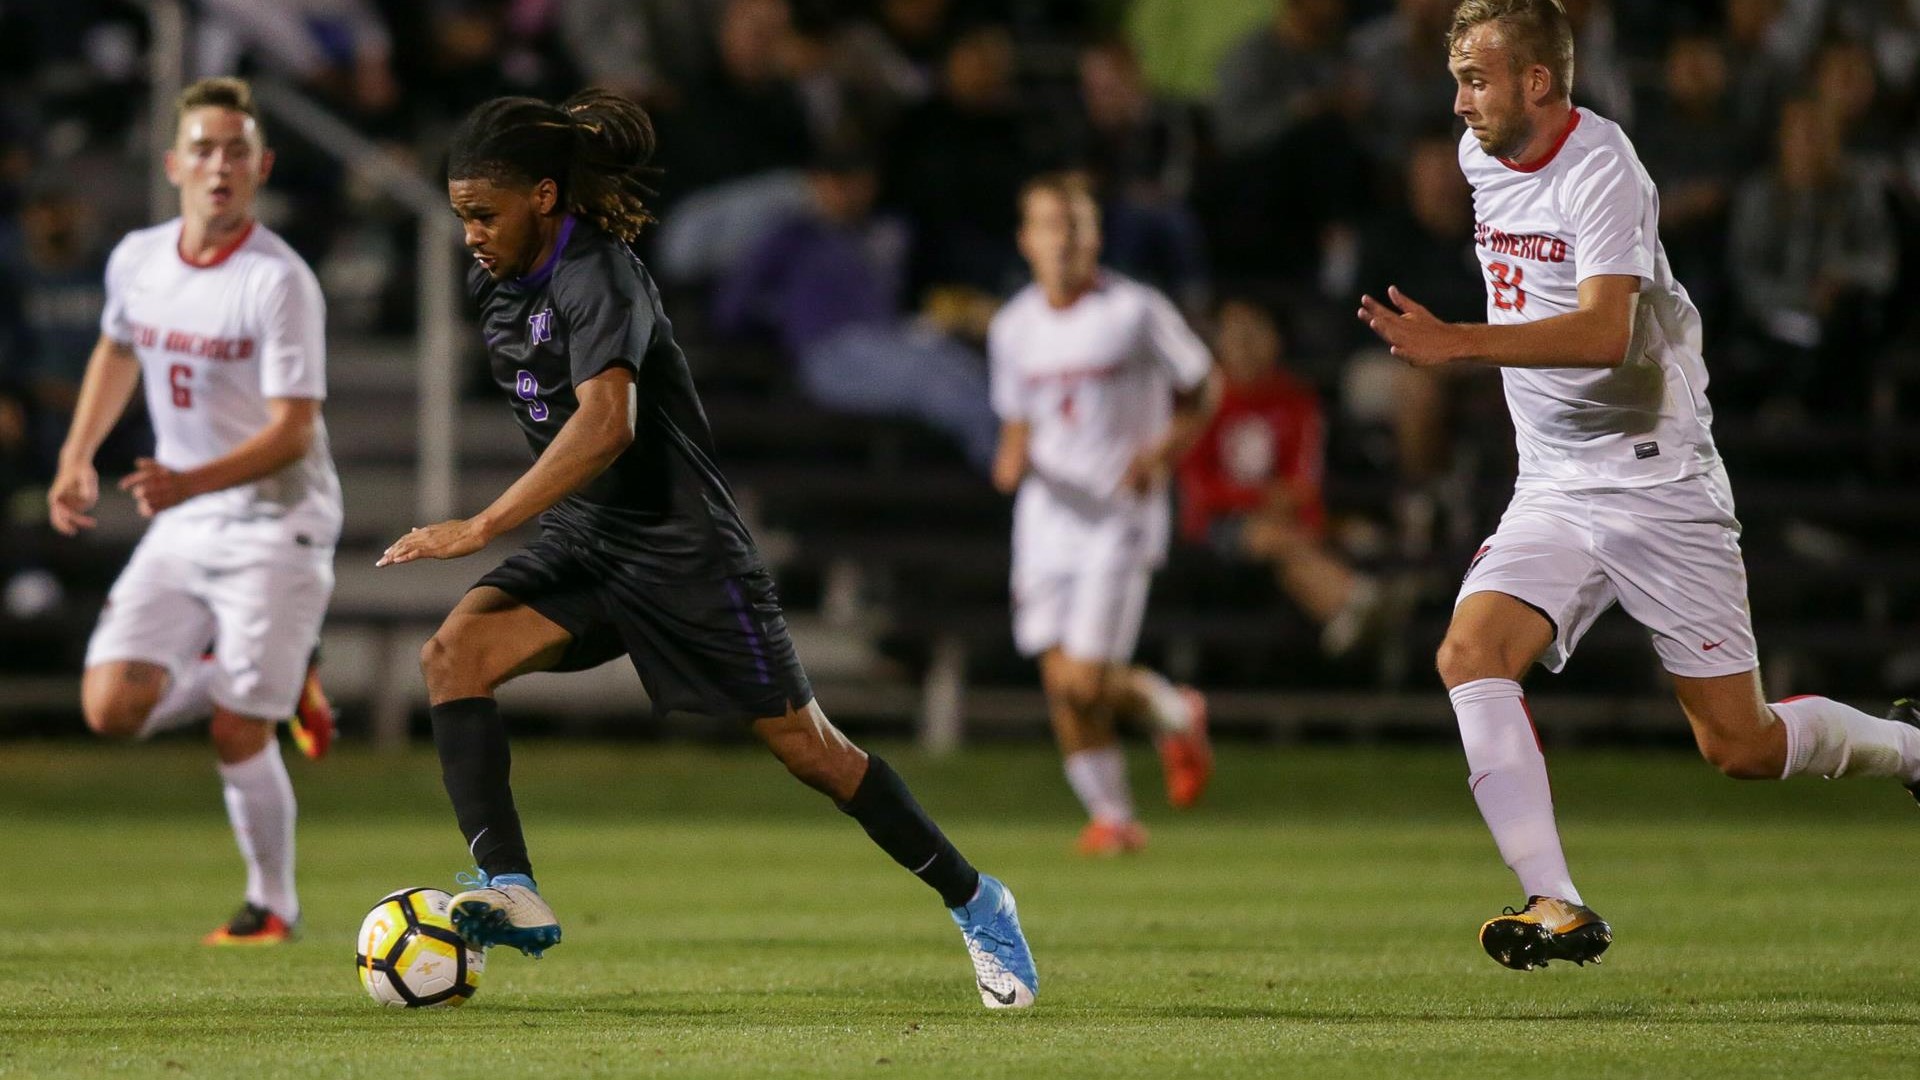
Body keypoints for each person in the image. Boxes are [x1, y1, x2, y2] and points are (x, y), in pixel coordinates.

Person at [375, 90, 1036, 1010]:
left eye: (485, 215)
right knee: (455, 654)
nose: (471, 235)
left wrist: (480, 526)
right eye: (460, 217)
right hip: (589, 538)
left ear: (548, 197)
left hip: (683, 551)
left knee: (814, 754)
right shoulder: (498, 277)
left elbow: (608, 425)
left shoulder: (598, 274)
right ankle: (511, 886)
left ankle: (976, 899)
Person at [1357, 0, 1920, 973]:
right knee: (1470, 651)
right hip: (1556, 484)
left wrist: (1461, 345)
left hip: (1659, 479)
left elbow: (1604, 334)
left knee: (1739, 745)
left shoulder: (1604, 165)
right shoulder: (1478, 157)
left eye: (1478, 81)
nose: (1459, 104)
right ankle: (1557, 903)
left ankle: (1911, 751)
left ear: (1538, 82)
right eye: (1456, 81)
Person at [46, 77, 338, 945]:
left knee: (238, 726)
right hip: (187, 516)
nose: (220, 165)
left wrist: (189, 482)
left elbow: (294, 434)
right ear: (174, 163)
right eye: (204, 149)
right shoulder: (137, 257)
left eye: (236, 150)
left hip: (277, 522)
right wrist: (75, 456)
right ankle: (276, 679)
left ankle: (271, 908)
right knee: (108, 708)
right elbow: (116, 347)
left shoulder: (279, 282)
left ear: (261, 167)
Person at [988, 171, 1219, 858]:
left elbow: (1204, 383)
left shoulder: (1135, 310)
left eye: (1078, 224)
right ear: (1027, 240)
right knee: (1063, 685)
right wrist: (1010, 458)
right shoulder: (1012, 325)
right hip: (1046, 518)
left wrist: (1161, 454)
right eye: (1052, 225)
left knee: (1087, 677)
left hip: (1120, 514)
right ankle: (1114, 819)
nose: (1066, 239)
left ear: (1096, 235)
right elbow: (1017, 422)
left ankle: (1180, 715)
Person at [1179, 299, 1387, 658]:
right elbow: (1197, 490)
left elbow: (1305, 483)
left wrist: (1286, 506)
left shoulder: (1296, 399)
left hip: (1285, 521)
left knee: (1299, 544)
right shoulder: (1203, 400)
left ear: (1275, 340)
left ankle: (1344, 613)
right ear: (1219, 343)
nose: (1245, 346)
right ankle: (1352, 596)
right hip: (1218, 525)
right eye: (1236, 335)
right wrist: (1257, 498)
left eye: (1255, 334)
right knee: (1273, 534)